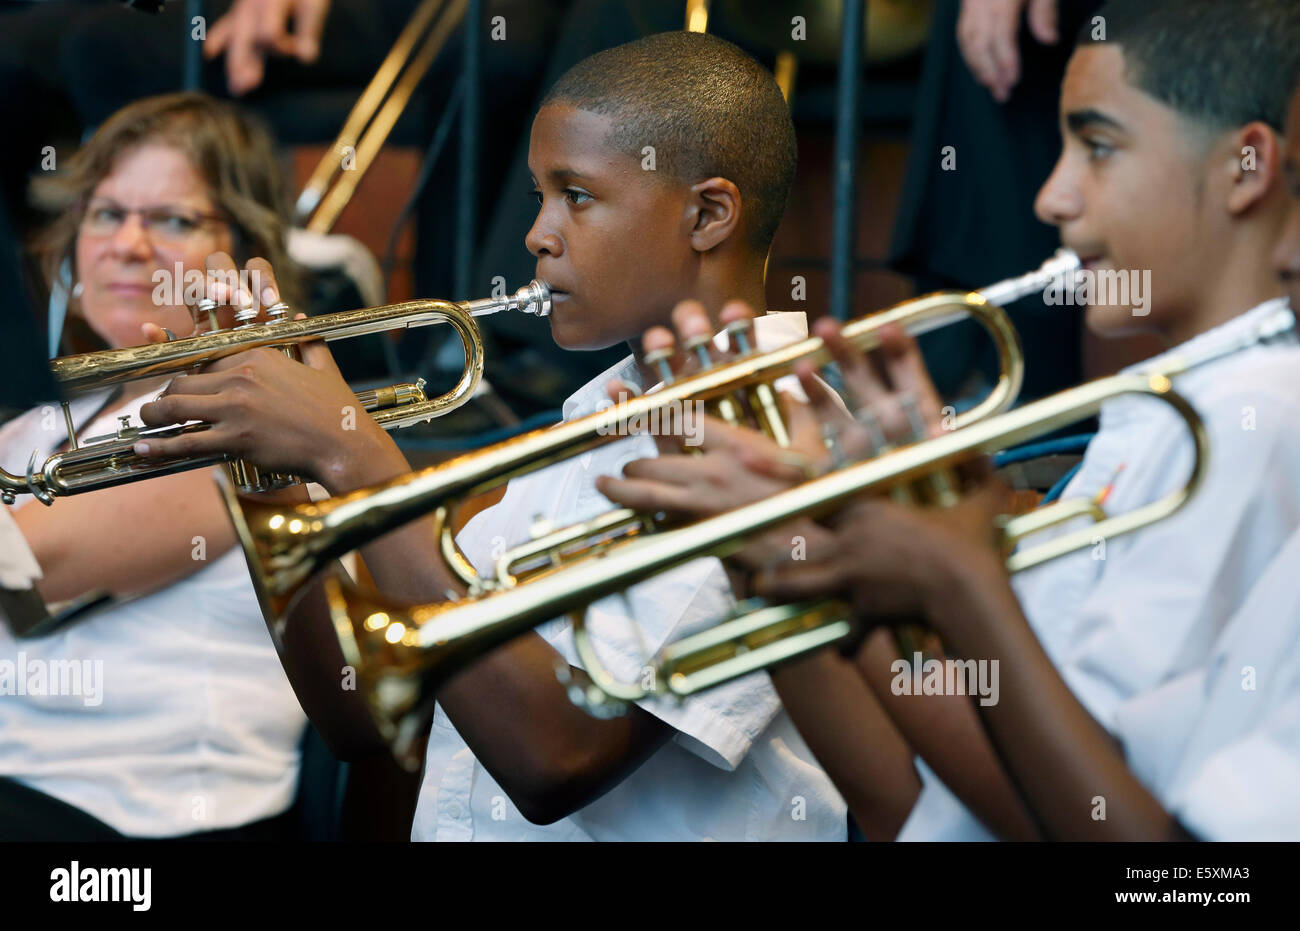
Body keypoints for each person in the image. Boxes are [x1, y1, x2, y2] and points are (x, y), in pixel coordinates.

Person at [596, 0, 1300, 840]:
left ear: (1248, 164)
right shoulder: (1170, 413)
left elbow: (1149, 863)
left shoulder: (1251, 418)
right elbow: (912, 802)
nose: (1051, 196)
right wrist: (777, 553)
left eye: (1099, 146)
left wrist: (952, 581)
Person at [135, 32, 847, 841]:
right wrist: (266, 472)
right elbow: (357, 712)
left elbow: (558, 754)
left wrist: (349, 451)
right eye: (539, 194)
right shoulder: (598, 417)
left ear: (709, 213)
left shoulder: (775, 441)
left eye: (575, 195)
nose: (537, 234)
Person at [0, 93, 307, 840]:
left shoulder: (236, 412)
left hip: (136, 820)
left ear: (245, 243)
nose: (128, 244)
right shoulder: (58, 414)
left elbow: (26, 570)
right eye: (106, 213)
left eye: (171, 219)